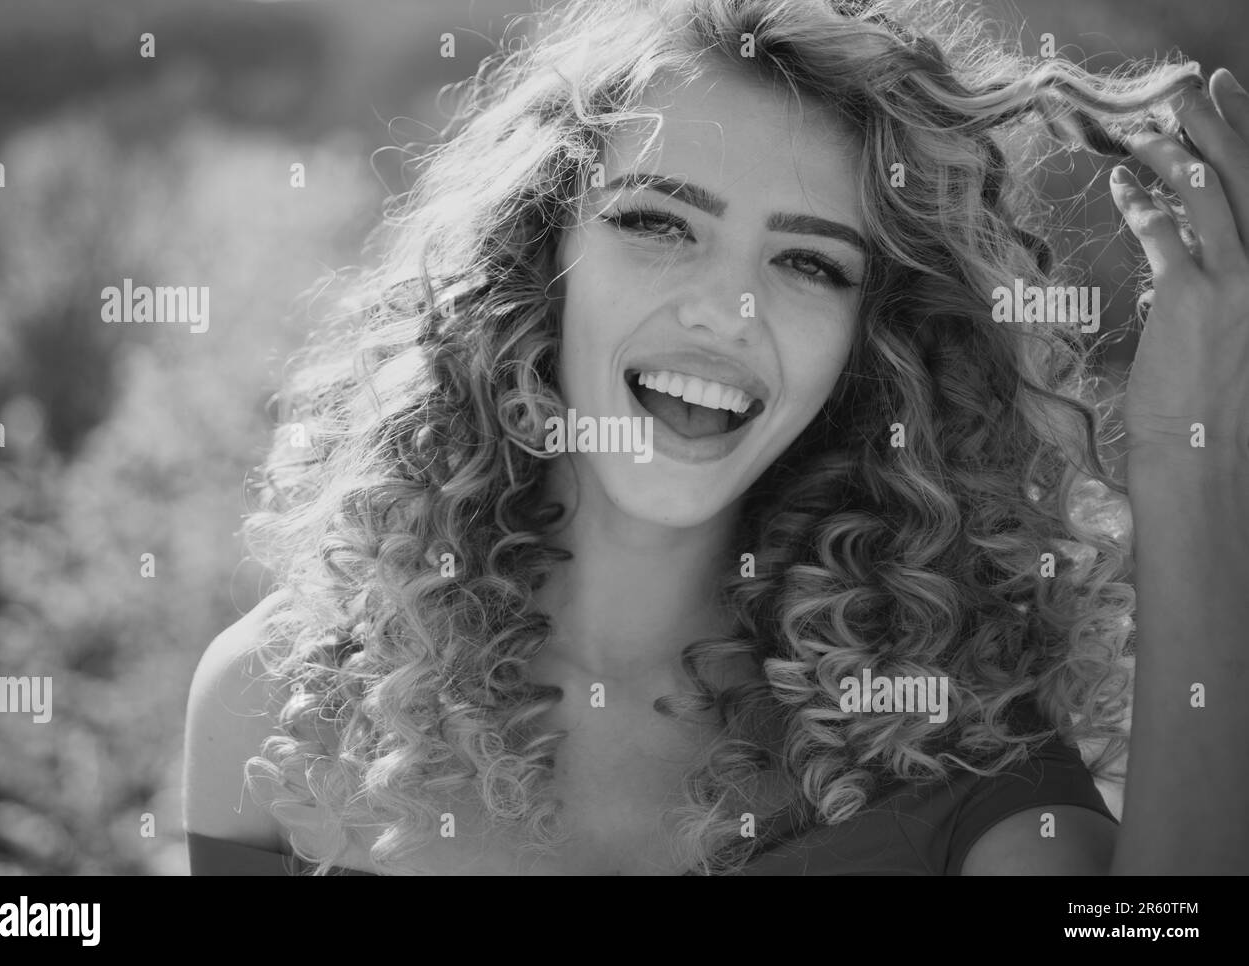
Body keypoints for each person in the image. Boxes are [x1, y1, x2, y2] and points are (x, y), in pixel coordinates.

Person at [183, 0, 1249, 875]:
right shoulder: (278, 703)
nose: (727, 309)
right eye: (656, 223)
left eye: (809, 264)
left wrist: (1188, 456)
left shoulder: (959, 757)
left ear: (868, 351)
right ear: (533, 263)